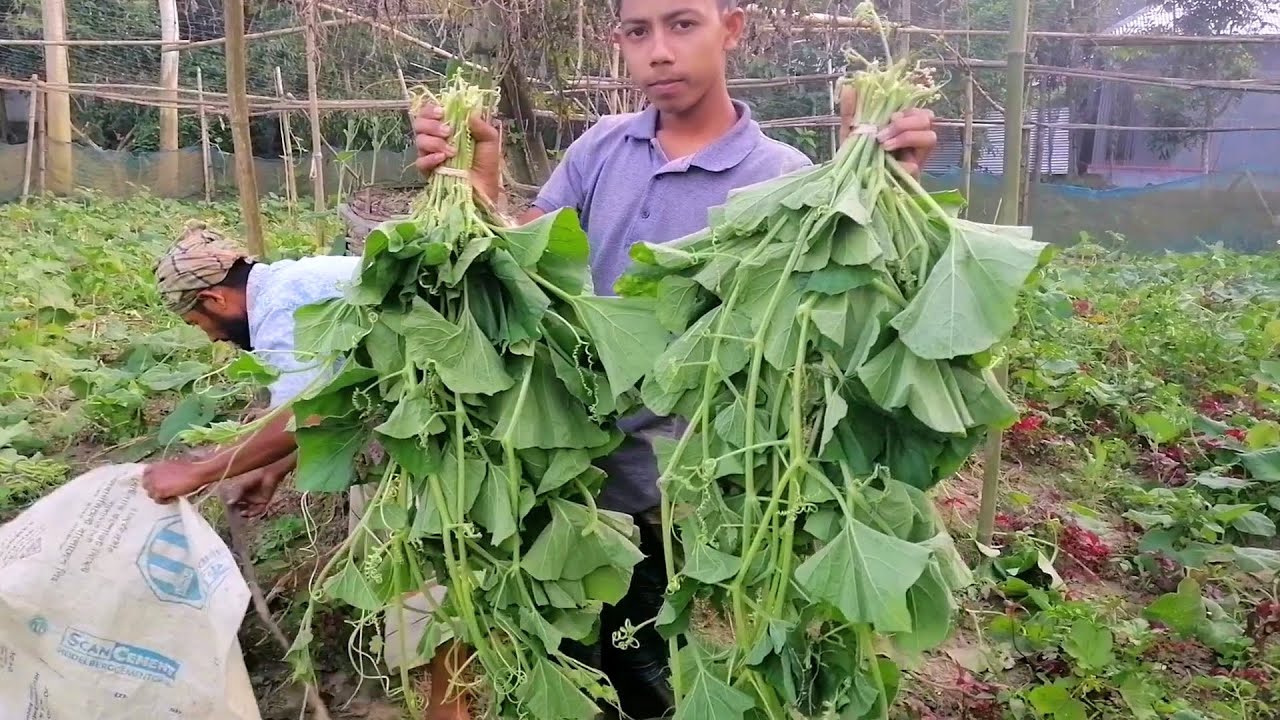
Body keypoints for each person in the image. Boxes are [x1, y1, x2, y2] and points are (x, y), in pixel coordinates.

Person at [412, 0, 938, 718]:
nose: (658, 52)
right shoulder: (599, 148)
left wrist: (882, 191)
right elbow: (529, 266)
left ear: (732, 28)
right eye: (638, 31)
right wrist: (482, 188)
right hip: (570, 467)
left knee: (651, 667)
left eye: (682, 23)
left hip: (687, 492)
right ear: (619, 42)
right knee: (565, 656)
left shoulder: (784, 176)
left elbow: (833, 333)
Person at [141, 222, 361, 516]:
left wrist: (198, 471)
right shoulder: (285, 282)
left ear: (214, 299)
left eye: (196, 322)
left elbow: (301, 416)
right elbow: (331, 405)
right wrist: (272, 470)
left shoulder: (279, 308)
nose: (212, 337)